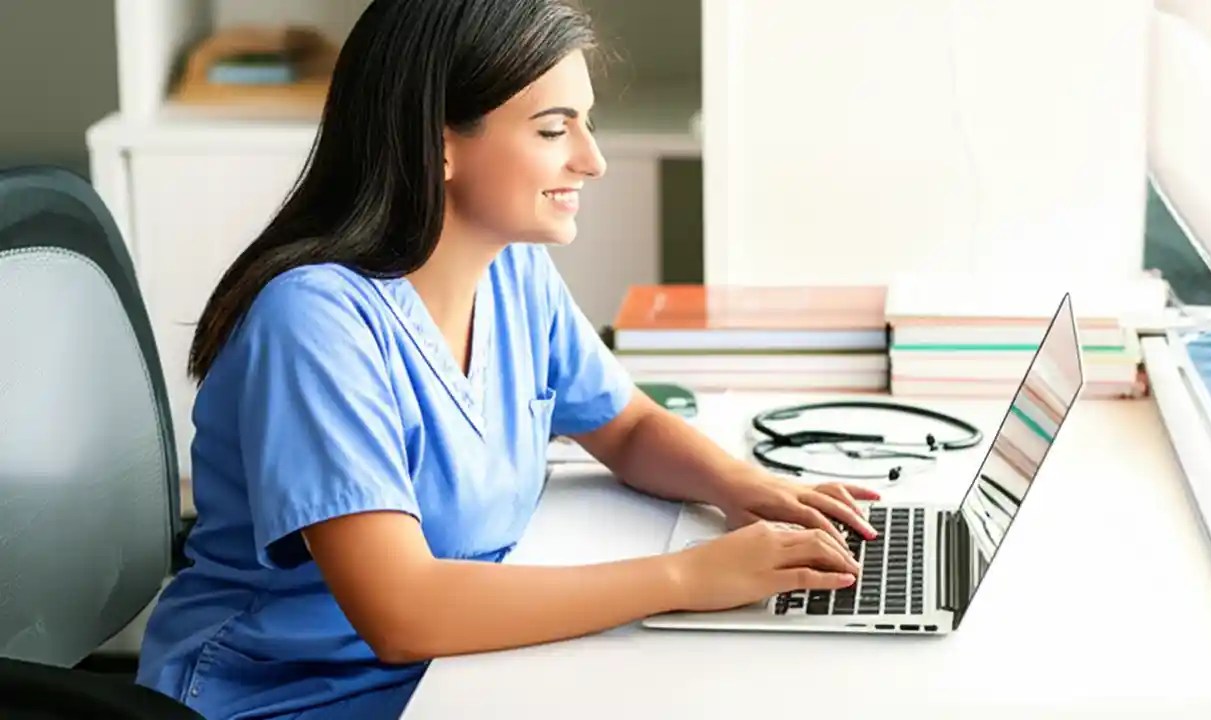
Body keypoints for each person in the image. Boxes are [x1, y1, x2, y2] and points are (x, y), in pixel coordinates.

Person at [136, 0, 880, 717]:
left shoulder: (509, 270)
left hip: (455, 669)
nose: (591, 161)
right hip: (292, 693)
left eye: (585, 124)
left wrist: (746, 488)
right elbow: (402, 613)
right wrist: (686, 576)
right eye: (554, 129)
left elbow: (623, 427)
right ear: (441, 143)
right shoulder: (315, 322)